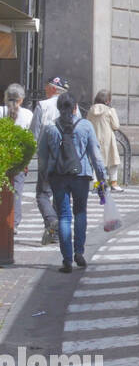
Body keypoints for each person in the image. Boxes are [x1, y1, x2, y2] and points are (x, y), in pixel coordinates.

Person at [38, 92, 107, 272]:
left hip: (58, 177)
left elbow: (43, 157)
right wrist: (102, 178)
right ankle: (79, 252)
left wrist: (45, 176)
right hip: (81, 175)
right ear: (75, 107)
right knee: (80, 213)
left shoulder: (49, 127)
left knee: (64, 216)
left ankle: (67, 260)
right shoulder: (85, 126)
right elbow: (96, 155)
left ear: (59, 108)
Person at [30, 76, 74, 245]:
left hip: (46, 157)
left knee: (42, 193)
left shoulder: (43, 105)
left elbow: (32, 134)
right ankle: (54, 234)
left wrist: (28, 158)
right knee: (59, 194)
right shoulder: (72, 107)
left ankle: (51, 221)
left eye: (47, 87)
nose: (45, 90)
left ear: (53, 89)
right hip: (66, 157)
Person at [3, 83, 34, 228]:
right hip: (19, 158)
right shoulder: (28, 115)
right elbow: (30, 139)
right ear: (21, 99)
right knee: (16, 192)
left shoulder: (1, 112)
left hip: (2, 157)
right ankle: (13, 223)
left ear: (6, 97)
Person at [87, 90, 124, 191]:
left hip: (94, 137)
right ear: (107, 100)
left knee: (96, 161)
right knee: (113, 161)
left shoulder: (91, 110)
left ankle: (96, 184)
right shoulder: (110, 110)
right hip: (108, 139)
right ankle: (114, 183)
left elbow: (87, 123)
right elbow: (116, 126)